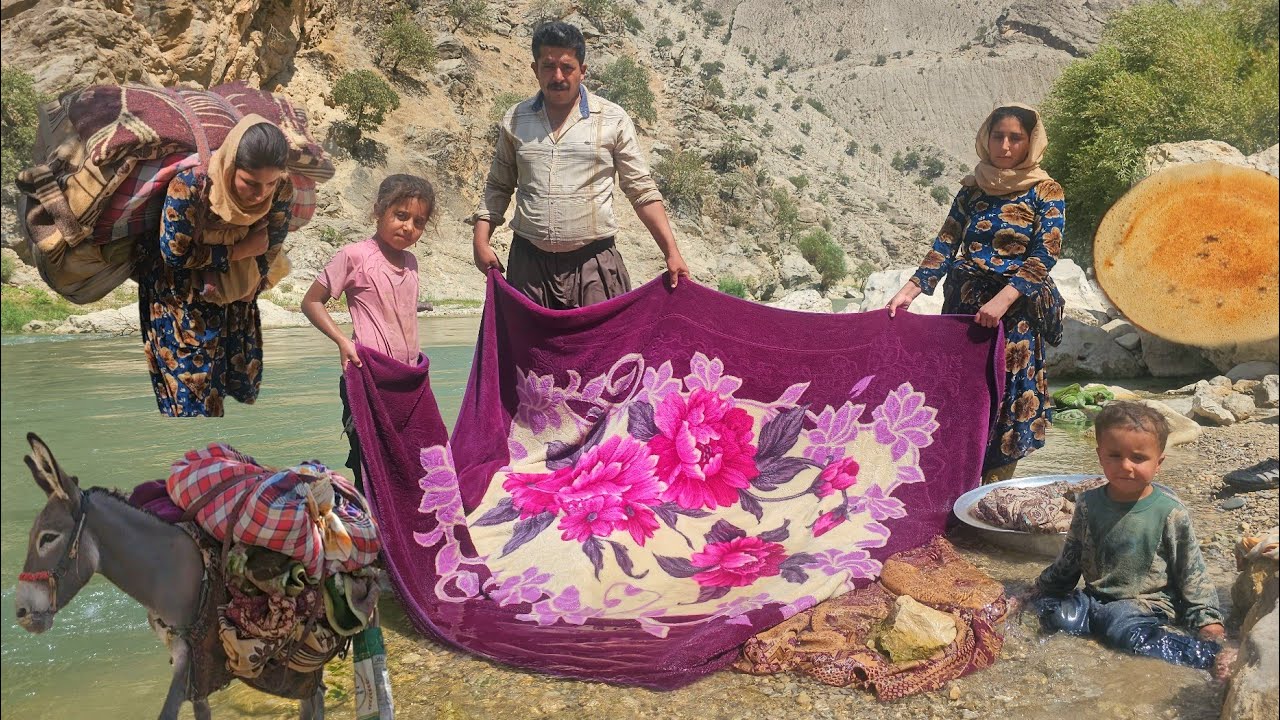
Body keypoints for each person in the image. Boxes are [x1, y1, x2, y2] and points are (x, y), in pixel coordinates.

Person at [887, 104, 1066, 484]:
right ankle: (952, 487)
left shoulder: (1046, 191)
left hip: (1014, 313)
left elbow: (1045, 252)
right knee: (961, 393)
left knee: (1008, 399)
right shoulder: (972, 189)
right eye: (997, 136)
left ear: (1030, 143)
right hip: (965, 311)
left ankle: (990, 495)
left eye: (1015, 138)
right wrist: (912, 288)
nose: (1004, 146)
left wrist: (1003, 301)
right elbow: (947, 240)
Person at [469, 21, 689, 309]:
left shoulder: (613, 118)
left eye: (567, 67)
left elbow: (641, 191)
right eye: (548, 66)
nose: (557, 76)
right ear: (535, 69)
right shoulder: (515, 119)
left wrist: (671, 252)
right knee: (530, 353)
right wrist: (480, 241)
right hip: (529, 267)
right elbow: (498, 185)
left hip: (594, 267)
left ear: (583, 71)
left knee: (602, 352)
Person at [1029, 402, 1234, 677]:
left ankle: (1206, 656)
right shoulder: (1088, 504)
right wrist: (1044, 588)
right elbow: (1072, 556)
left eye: (1138, 458)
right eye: (1114, 455)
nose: (1125, 466)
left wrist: (1208, 623)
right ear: (1100, 456)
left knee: (1124, 634)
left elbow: (1191, 572)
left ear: (1158, 463)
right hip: (1093, 598)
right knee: (1056, 617)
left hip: (1142, 603)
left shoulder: (1170, 512)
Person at [140, 115, 294, 417]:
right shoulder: (190, 187)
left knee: (241, 388)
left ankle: (228, 459)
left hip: (240, 295)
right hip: (180, 297)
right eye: (250, 182)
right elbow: (175, 254)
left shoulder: (282, 188)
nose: (261, 193)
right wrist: (238, 251)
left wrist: (255, 284)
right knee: (190, 394)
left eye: (269, 183)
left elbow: (273, 240)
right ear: (231, 165)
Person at [301, 174, 436, 490]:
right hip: (367, 377)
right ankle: (371, 528)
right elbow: (311, 302)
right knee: (370, 460)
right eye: (400, 215)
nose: (408, 227)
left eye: (419, 221)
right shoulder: (355, 255)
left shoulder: (412, 262)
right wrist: (342, 341)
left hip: (408, 380)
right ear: (379, 210)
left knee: (410, 457)